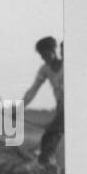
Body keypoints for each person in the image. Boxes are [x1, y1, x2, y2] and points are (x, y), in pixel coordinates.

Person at [23, 36, 64, 164]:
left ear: (53, 50)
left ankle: (46, 161)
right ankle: (48, 160)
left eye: (45, 54)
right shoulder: (45, 69)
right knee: (52, 135)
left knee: (51, 135)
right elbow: (33, 90)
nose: (43, 57)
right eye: (41, 55)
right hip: (60, 106)